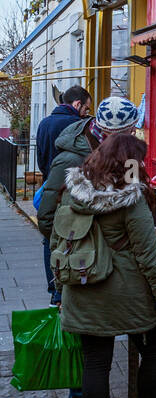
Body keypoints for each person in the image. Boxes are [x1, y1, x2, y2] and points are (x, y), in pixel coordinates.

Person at [51, 129, 156, 398]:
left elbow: (55, 232)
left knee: (96, 364)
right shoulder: (130, 199)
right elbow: (147, 255)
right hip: (126, 293)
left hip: (82, 288)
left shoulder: (75, 190)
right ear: (129, 163)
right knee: (155, 349)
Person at [38, 96, 140, 398]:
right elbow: (47, 217)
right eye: (129, 133)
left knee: (91, 336)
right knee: (84, 338)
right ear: (115, 134)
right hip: (73, 259)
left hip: (91, 260)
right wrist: (80, 237)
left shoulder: (105, 151)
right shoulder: (71, 158)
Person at [35, 85, 92, 297]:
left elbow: (41, 160)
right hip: (72, 192)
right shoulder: (79, 126)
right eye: (86, 108)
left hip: (49, 186)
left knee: (49, 240)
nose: (86, 113)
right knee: (72, 239)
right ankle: (66, 288)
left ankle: (53, 290)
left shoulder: (44, 123)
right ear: (77, 105)